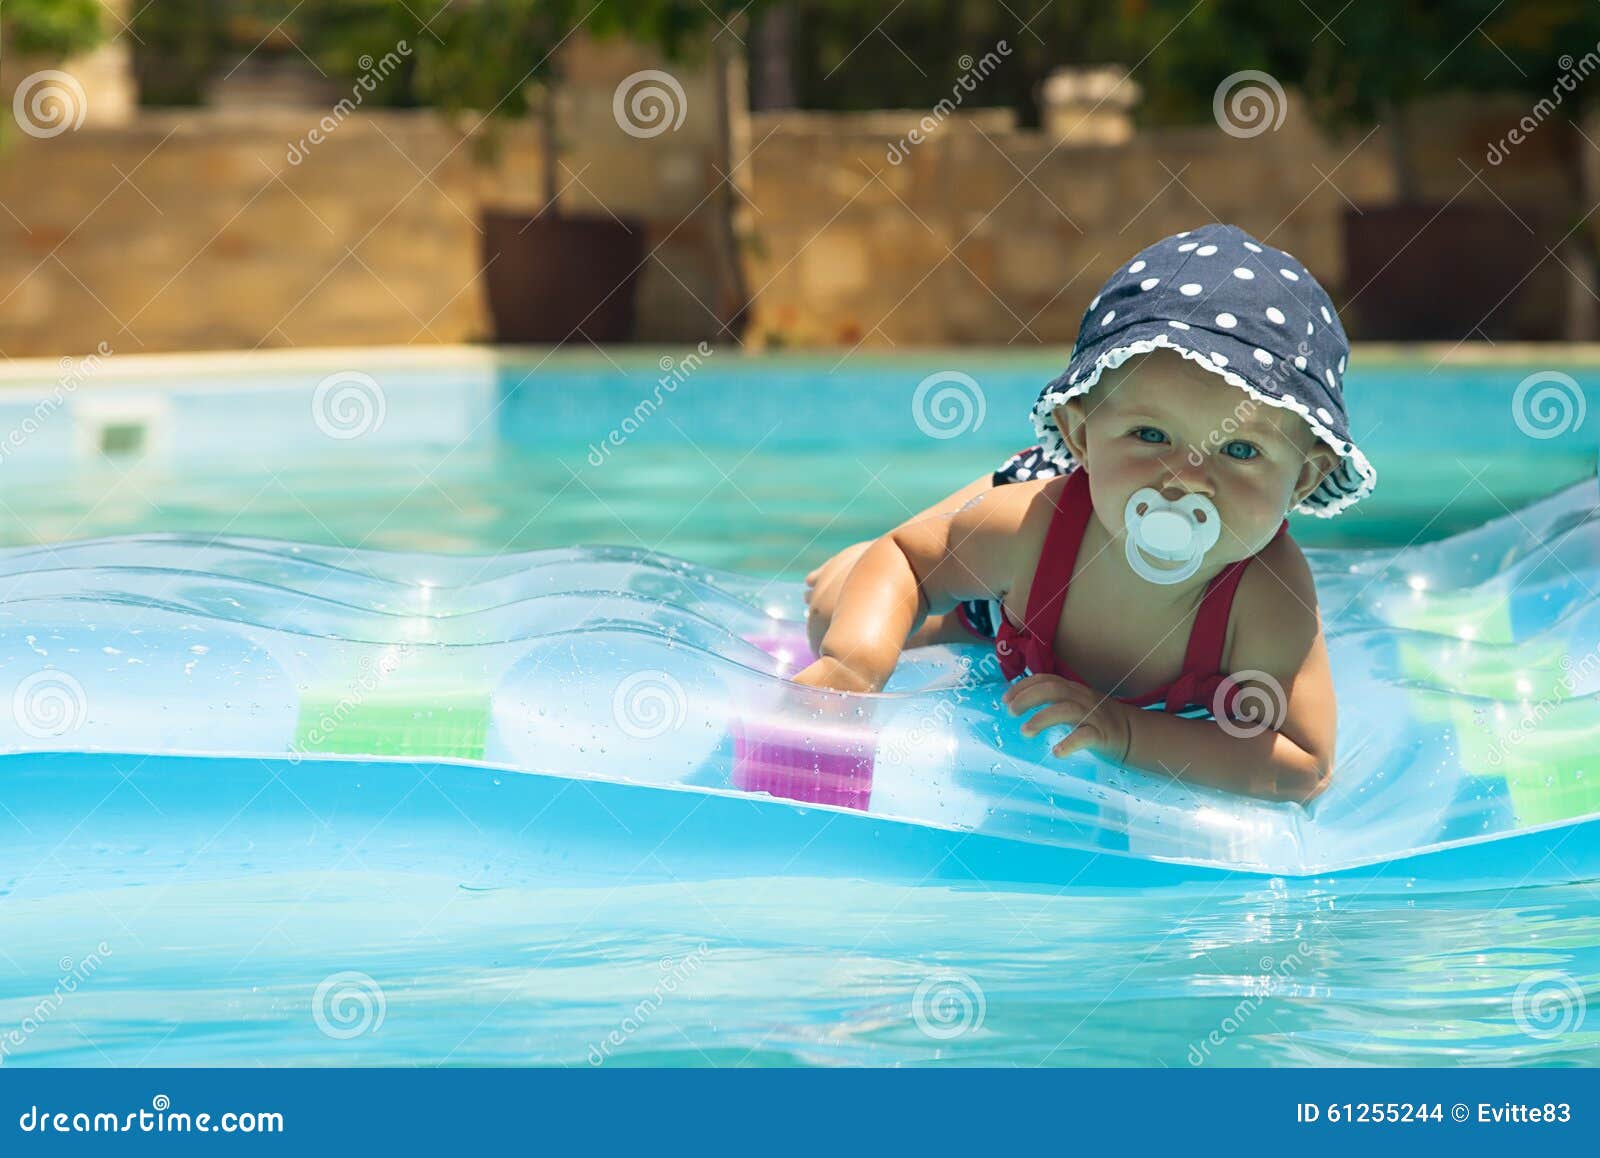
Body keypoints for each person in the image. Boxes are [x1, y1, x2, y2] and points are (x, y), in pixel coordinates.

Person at [795, 224, 1377, 804]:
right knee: (840, 608)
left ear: (1304, 476)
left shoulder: (1267, 592)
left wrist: (1127, 732)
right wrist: (853, 666)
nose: (1187, 480)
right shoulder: (1030, 526)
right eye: (1151, 434)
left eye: (1241, 450)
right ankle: (856, 570)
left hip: (1053, 575)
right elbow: (907, 559)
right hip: (1024, 574)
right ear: (1079, 433)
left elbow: (1303, 765)